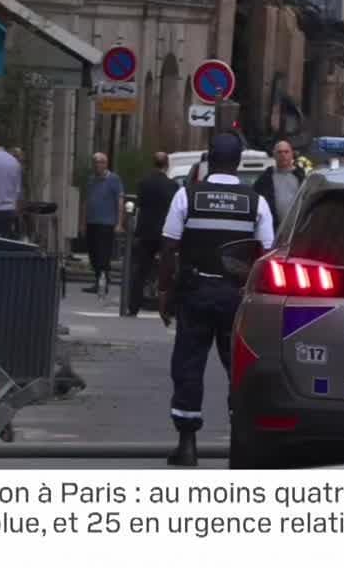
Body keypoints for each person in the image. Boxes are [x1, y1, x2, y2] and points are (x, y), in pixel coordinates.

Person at [156, 133, 274, 467]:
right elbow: (266, 253)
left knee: (188, 365)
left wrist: (165, 292)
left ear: (208, 158)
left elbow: (168, 248)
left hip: (195, 293)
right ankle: (240, 443)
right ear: (237, 161)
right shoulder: (256, 202)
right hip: (237, 299)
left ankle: (187, 443)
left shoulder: (186, 196)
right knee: (237, 369)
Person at [127, 152, 179, 317]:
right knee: (168, 269)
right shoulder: (172, 186)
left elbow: (139, 206)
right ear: (167, 165)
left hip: (146, 231)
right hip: (165, 232)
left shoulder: (144, 183)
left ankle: (133, 306)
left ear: (153, 164)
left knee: (141, 271)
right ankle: (169, 307)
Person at [82, 152, 124, 295]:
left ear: (105, 164)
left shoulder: (114, 179)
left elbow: (119, 201)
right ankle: (97, 279)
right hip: (92, 221)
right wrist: (83, 222)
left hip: (106, 223)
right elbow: (86, 202)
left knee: (103, 253)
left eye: (100, 162)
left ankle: (103, 281)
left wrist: (119, 223)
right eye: (95, 162)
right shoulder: (91, 180)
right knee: (93, 252)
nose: (97, 165)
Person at [253, 140, 307, 229]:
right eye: (279, 152)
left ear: (292, 154)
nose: (283, 155)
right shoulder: (265, 179)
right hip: (273, 229)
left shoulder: (301, 177)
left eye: (286, 152)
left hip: (297, 228)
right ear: (274, 155)